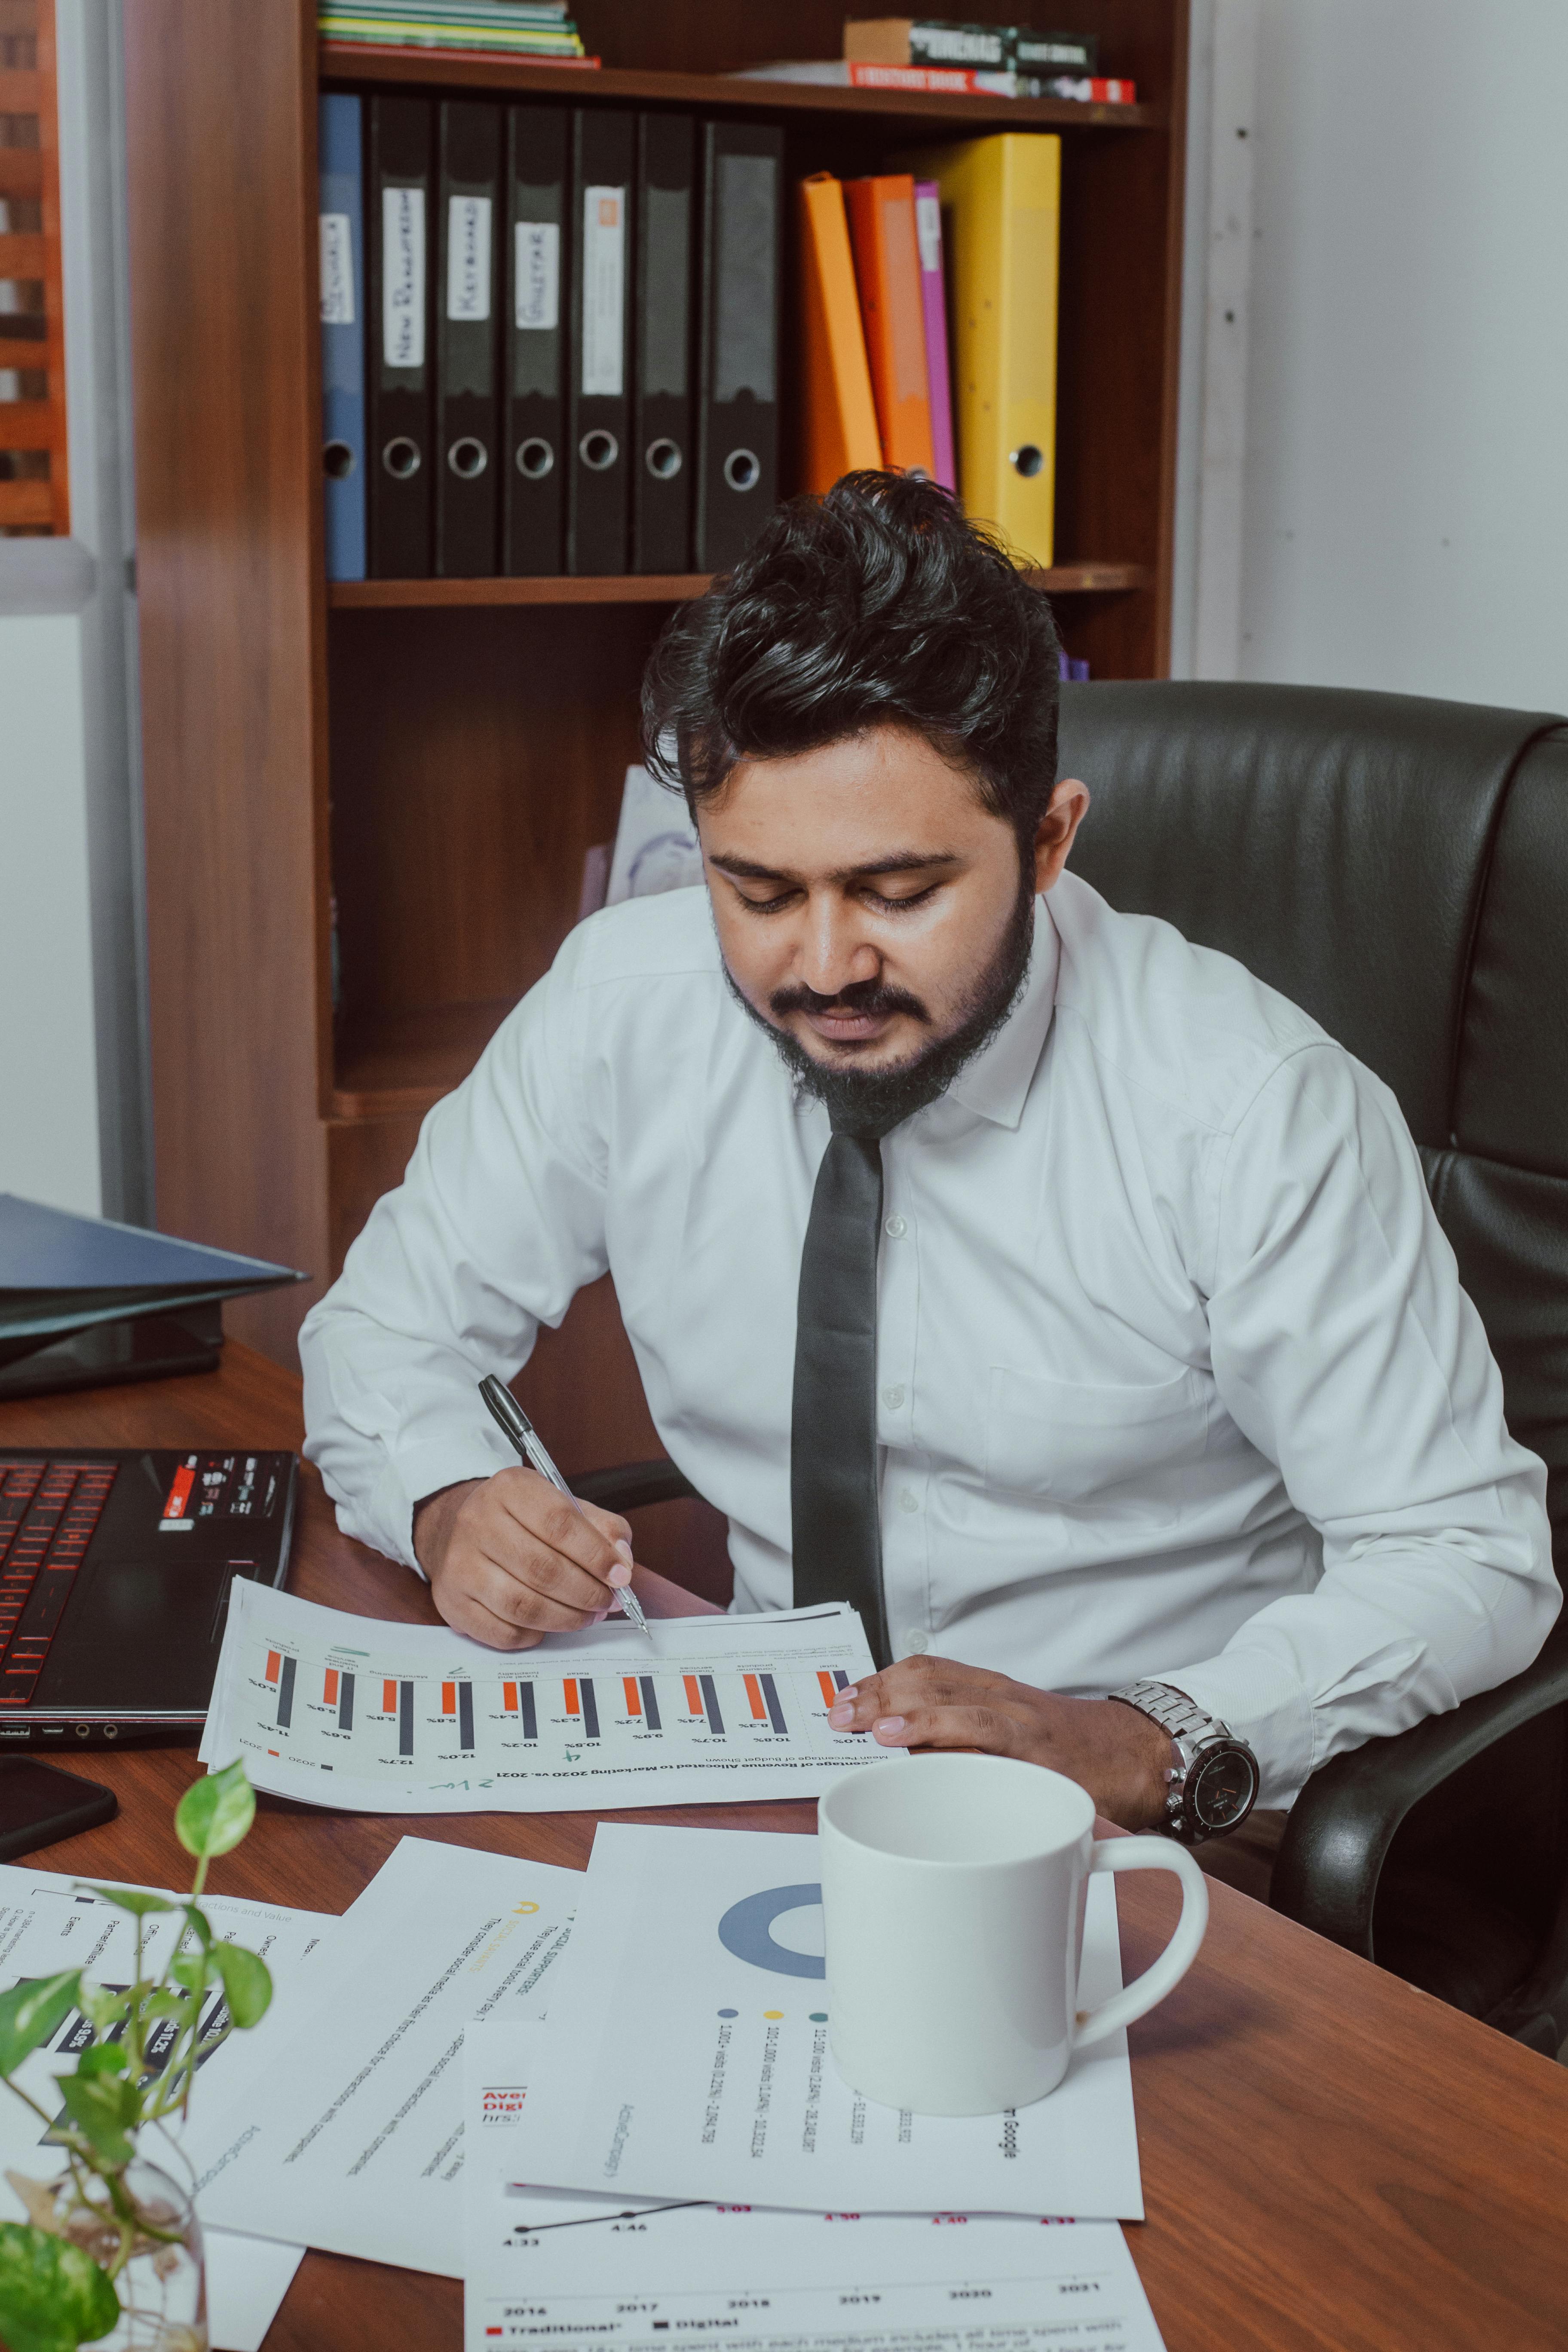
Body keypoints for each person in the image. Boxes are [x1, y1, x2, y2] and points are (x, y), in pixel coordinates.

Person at [300, 473, 1556, 1844]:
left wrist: (1140, 1737)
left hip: (1141, 1832)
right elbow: (384, 1330)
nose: (825, 966)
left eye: (900, 894)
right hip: (764, 1770)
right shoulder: (625, 1005)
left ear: (1052, 840)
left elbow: (1467, 1560)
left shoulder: (1252, 1109)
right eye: (759, 892)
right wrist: (445, 1499)